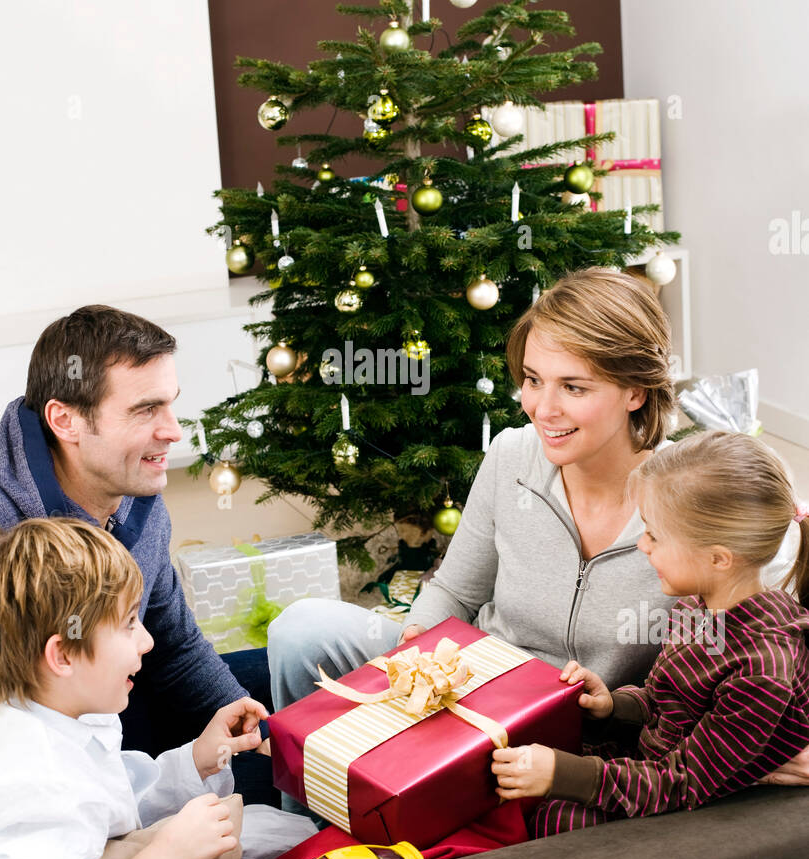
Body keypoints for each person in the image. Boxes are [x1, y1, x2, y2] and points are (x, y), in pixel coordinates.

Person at [268, 267, 807, 799]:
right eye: (531, 380)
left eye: (573, 386)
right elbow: (457, 590)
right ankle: (310, 820)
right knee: (301, 629)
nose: (541, 409)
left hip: (575, 734)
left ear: (635, 392)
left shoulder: (694, 501)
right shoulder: (512, 453)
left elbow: (771, 647)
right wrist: (418, 651)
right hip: (470, 681)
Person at [0, 304, 268, 768]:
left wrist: (252, 733)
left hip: (117, 714)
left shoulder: (134, 494)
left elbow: (172, 645)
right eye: (146, 410)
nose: (173, 431)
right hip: (32, 778)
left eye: (170, 402)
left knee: (280, 690)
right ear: (65, 421)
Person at [0, 518, 268, 859]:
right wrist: (166, 856)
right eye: (129, 624)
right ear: (62, 655)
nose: (148, 639)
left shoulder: (52, 704)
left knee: (276, 831)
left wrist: (198, 760)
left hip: (110, 850)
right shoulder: (26, 779)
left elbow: (107, 804)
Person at [490, 431, 809, 831]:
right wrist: (613, 706)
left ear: (719, 559)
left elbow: (684, 782)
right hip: (653, 762)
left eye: (655, 535)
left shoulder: (760, 672)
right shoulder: (698, 606)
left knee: (556, 816)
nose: (642, 545)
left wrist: (563, 775)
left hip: (687, 798)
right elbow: (667, 703)